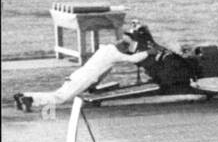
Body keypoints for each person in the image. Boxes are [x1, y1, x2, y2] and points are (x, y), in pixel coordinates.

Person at [13, 36, 150, 112]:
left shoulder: (106, 48)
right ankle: (29, 99)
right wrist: (149, 53)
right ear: (123, 47)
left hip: (79, 75)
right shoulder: (114, 54)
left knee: (59, 94)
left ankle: (24, 96)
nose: (125, 53)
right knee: (60, 98)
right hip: (84, 79)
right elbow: (133, 59)